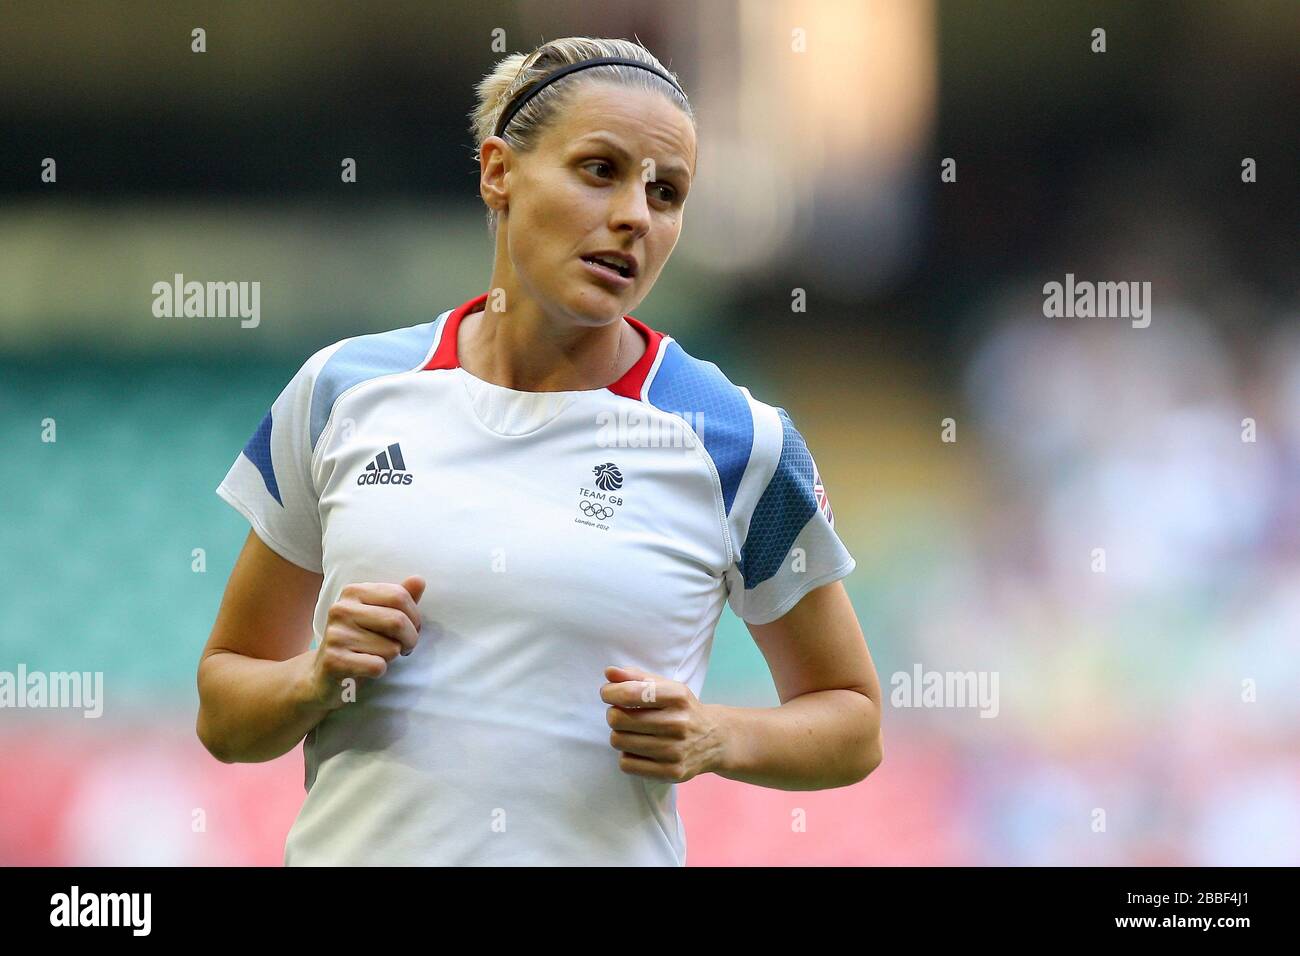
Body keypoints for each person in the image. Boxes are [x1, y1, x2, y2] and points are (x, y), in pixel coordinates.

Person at [197, 36, 883, 866]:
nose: (636, 215)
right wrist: (311, 681)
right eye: (600, 169)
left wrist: (718, 737)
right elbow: (225, 712)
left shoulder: (737, 439)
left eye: (666, 193)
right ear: (499, 173)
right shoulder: (342, 391)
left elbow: (852, 720)